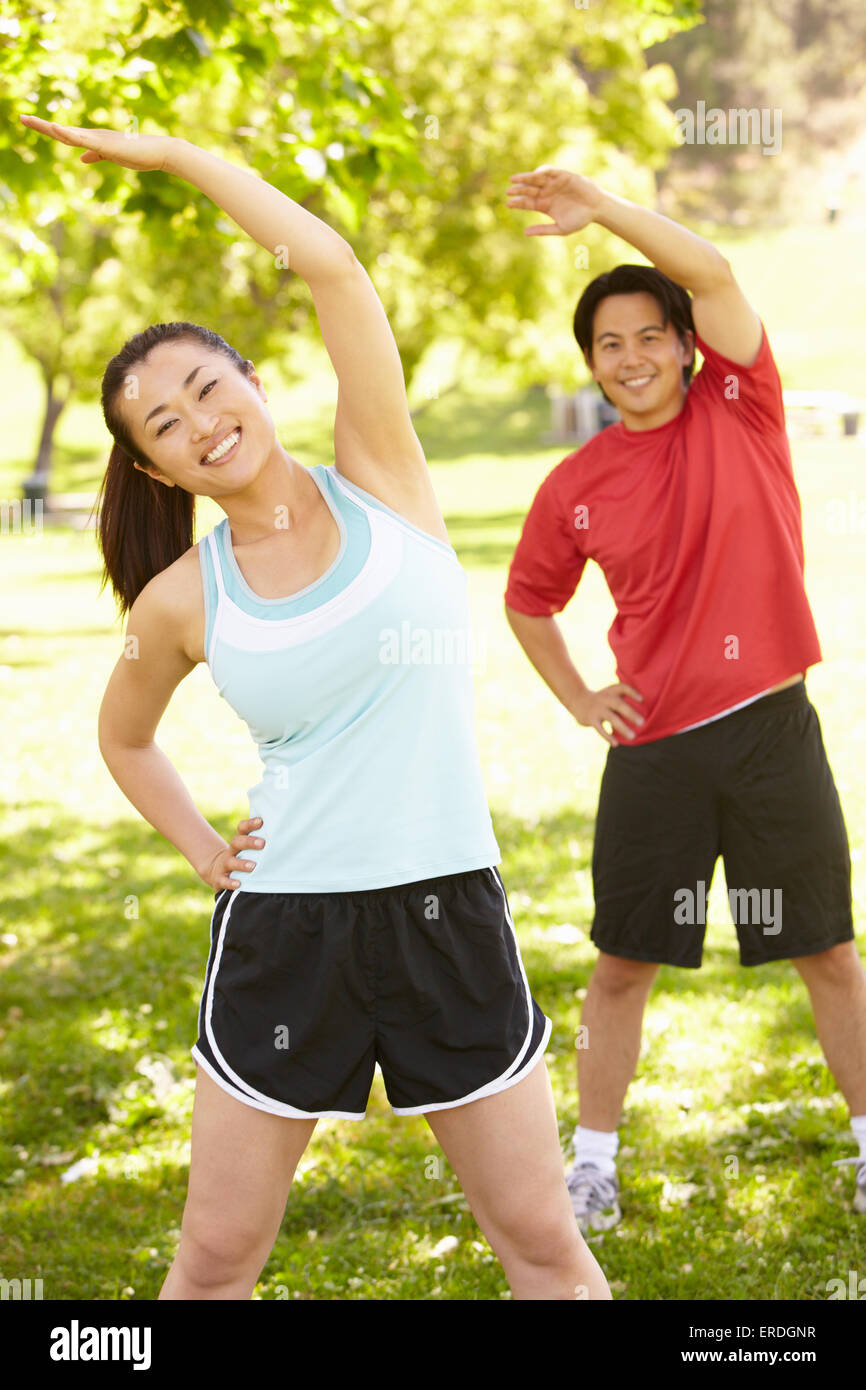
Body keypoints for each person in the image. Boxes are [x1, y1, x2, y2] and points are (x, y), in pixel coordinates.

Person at [19, 113, 610, 1301]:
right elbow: (121, 734)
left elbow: (332, 266)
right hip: (285, 932)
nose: (200, 422)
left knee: (541, 1244)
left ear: (248, 375)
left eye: (205, 386)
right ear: (155, 469)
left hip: (445, 907)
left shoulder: (383, 474)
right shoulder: (183, 595)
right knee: (216, 1257)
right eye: (165, 425)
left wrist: (177, 157)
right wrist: (199, 848)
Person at [503, 165, 866, 1232]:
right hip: (653, 749)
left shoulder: (738, 403)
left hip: (768, 732)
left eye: (647, 336)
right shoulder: (574, 485)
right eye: (606, 345)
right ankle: (593, 1165)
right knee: (621, 966)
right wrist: (579, 696)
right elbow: (528, 603)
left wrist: (602, 209)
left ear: (685, 345)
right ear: (590, 366)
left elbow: (709, 269)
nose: (629, 358)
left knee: (827, 953)